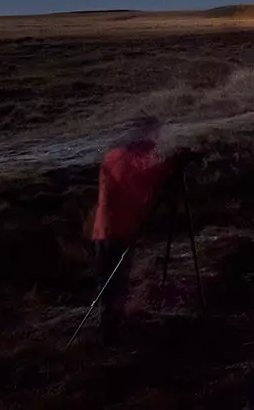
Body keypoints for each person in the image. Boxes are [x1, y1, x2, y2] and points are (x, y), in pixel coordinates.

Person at [89, 115, 172, 341]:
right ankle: (107, 330)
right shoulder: (119, 157)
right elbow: (141, 176)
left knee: (117, 278)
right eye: (154, 134)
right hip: (112, 230)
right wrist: (169, 164)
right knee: (110, 280)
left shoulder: (121, 154)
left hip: (117, 229)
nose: (156, 138)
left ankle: (113, 323)